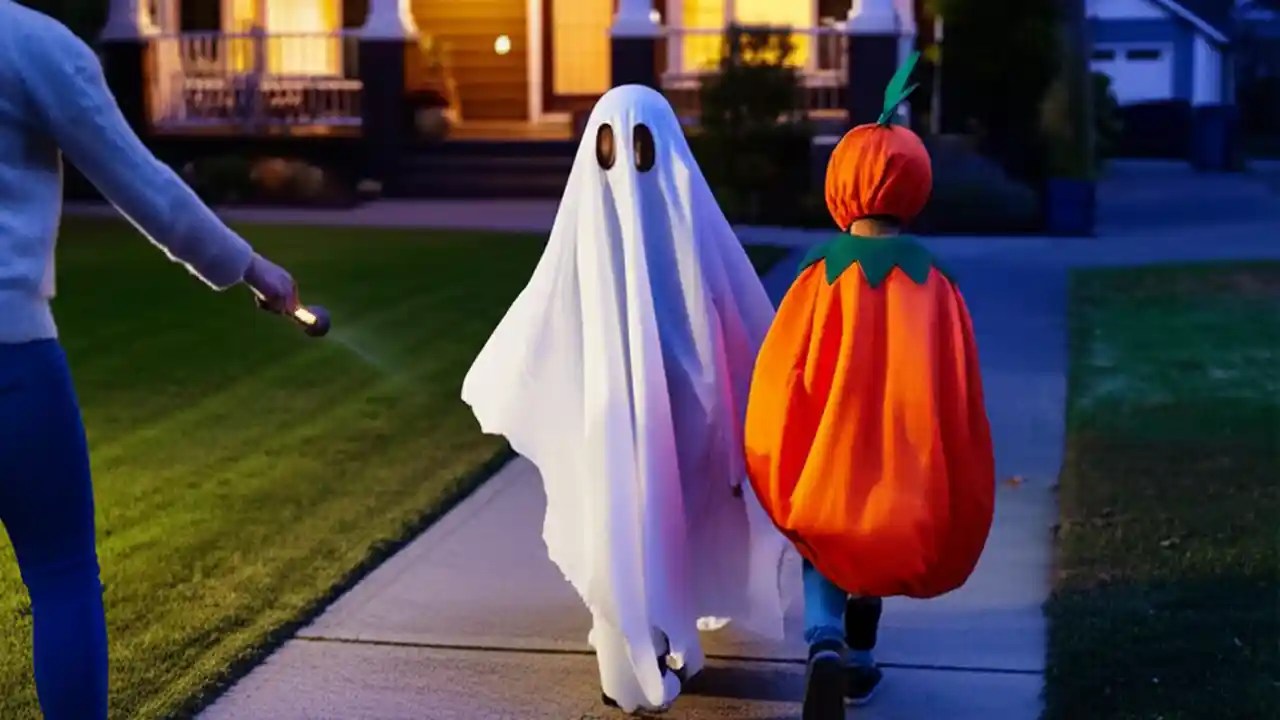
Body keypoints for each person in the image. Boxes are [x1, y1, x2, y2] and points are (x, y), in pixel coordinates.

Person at [0, 4, 299, 718]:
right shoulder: (31, 44)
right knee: (63, 576)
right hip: (13, 357)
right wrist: (251, 267)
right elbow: (143, 184)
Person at [461, 84, 789, 713]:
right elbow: (731, 313)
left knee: (633, 522)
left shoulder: (609, 221)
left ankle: (650, 642)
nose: (624, 166)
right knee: (652, 523)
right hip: (658, 412)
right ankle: (644, 649)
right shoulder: (672, 215)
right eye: (616, 151)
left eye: (632, 150)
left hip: (641, 417)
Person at [743, 53, 996, 720]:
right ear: (915, 188)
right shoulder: (936, 283)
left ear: (841, 188)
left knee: (826, 539)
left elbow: (783, 368)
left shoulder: (818, 275)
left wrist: (775, 440)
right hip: (903, 459)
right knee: (876, 540)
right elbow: (956, 381)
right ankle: (859, 661)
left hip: (828, 449)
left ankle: (824, 641)